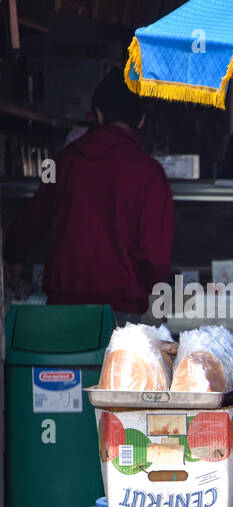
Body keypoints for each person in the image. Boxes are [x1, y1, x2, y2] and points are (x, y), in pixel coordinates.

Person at [2, 69, 173, 323]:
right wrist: (151, 290)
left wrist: (12, 255)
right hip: (122, 314)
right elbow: (154, 258)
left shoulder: (60, 163)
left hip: (62, 312)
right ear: (141, 121)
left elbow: (31, 218)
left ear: (99, 115)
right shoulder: (151, 175)